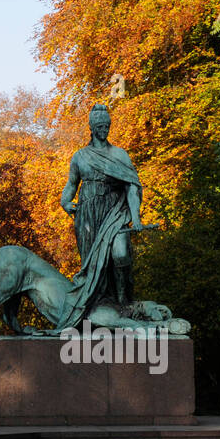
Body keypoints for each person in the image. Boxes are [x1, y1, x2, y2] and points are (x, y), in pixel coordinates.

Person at [56, 103, 153, 328]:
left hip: (114, 211)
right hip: (88, 215)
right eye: (100, 126)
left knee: (120, 254)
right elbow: (71, 184)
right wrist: (64, 201)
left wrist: (135, 217)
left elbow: (131, 186)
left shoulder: (119, 154)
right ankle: (95, 302)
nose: (104, 129)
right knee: (93, 263)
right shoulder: (80, 157)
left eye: (107, 125)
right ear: (91, 127)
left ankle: (122, 302)